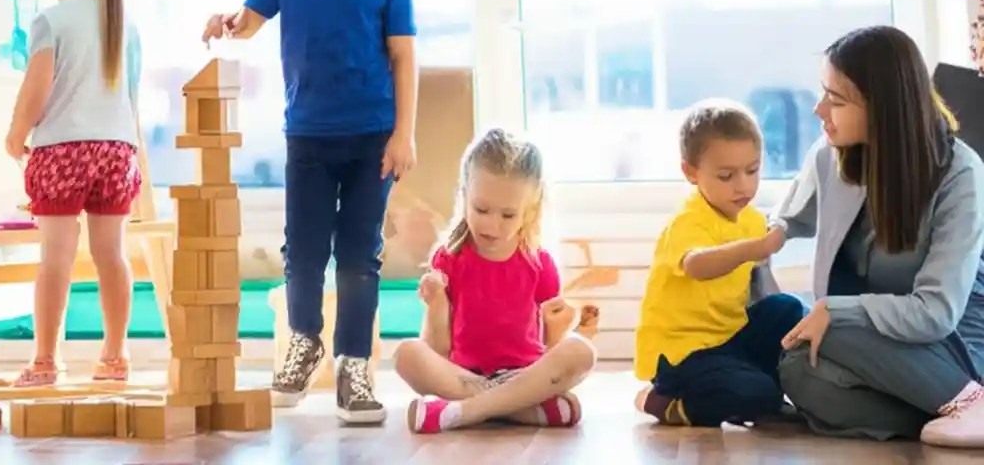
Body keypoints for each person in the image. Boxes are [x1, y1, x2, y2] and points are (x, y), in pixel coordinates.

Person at [201, 0, 418, 423]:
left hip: (373, 138)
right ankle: (305, 341)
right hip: (309, 139)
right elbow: (246, 24)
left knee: (358, 255)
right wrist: (225, 23)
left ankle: (353, 364)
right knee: (302, 253)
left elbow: (404, 58)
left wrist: (405, 134)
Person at [774, 25, 984, 448]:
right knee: (796, 366)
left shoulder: (960, 174)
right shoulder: (830, 157)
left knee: (826, 331)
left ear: (884, 108)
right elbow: (783, 223)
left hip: (952, 345)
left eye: (836, 100)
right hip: (878, 342)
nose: (818, 110)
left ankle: (967, 397)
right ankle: (940, 413)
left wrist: (835, 311)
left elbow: (936, 312)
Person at [6, 0, 141, 387]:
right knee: (112, 255)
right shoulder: (125, 24)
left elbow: (36, 88)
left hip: (61, 153)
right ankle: (115, 357)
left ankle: (45, 361)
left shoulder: (50, 21)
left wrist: (15, 133)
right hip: (117, 152)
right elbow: (131, 100)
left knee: (56, 257)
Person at [394, 128, 597, 434]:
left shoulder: (539, 263)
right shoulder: (449, 259)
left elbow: (547, 349)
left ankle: (462, 412)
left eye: (507, 215)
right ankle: (521, 409)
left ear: (528, 212)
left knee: (582, 352)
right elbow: (436, 350)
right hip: (464, 375)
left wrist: (559, 330)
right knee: (406, 354)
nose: (492, 225)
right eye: (481, 209)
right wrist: (436, 304)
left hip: (524, 374)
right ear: (464, 195)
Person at [633, 99, 807, 427]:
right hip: (682, 355)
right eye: (726, 175)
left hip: (729, 340)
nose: (743, 185)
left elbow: (761, 287)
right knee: (762, 393)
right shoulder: (688, 222)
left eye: (752, 170)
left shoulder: (752, 220)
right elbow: (697, 265)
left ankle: (751, 392)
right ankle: (666, 401)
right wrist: (753, 248)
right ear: (691, 172)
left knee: (786, 309)